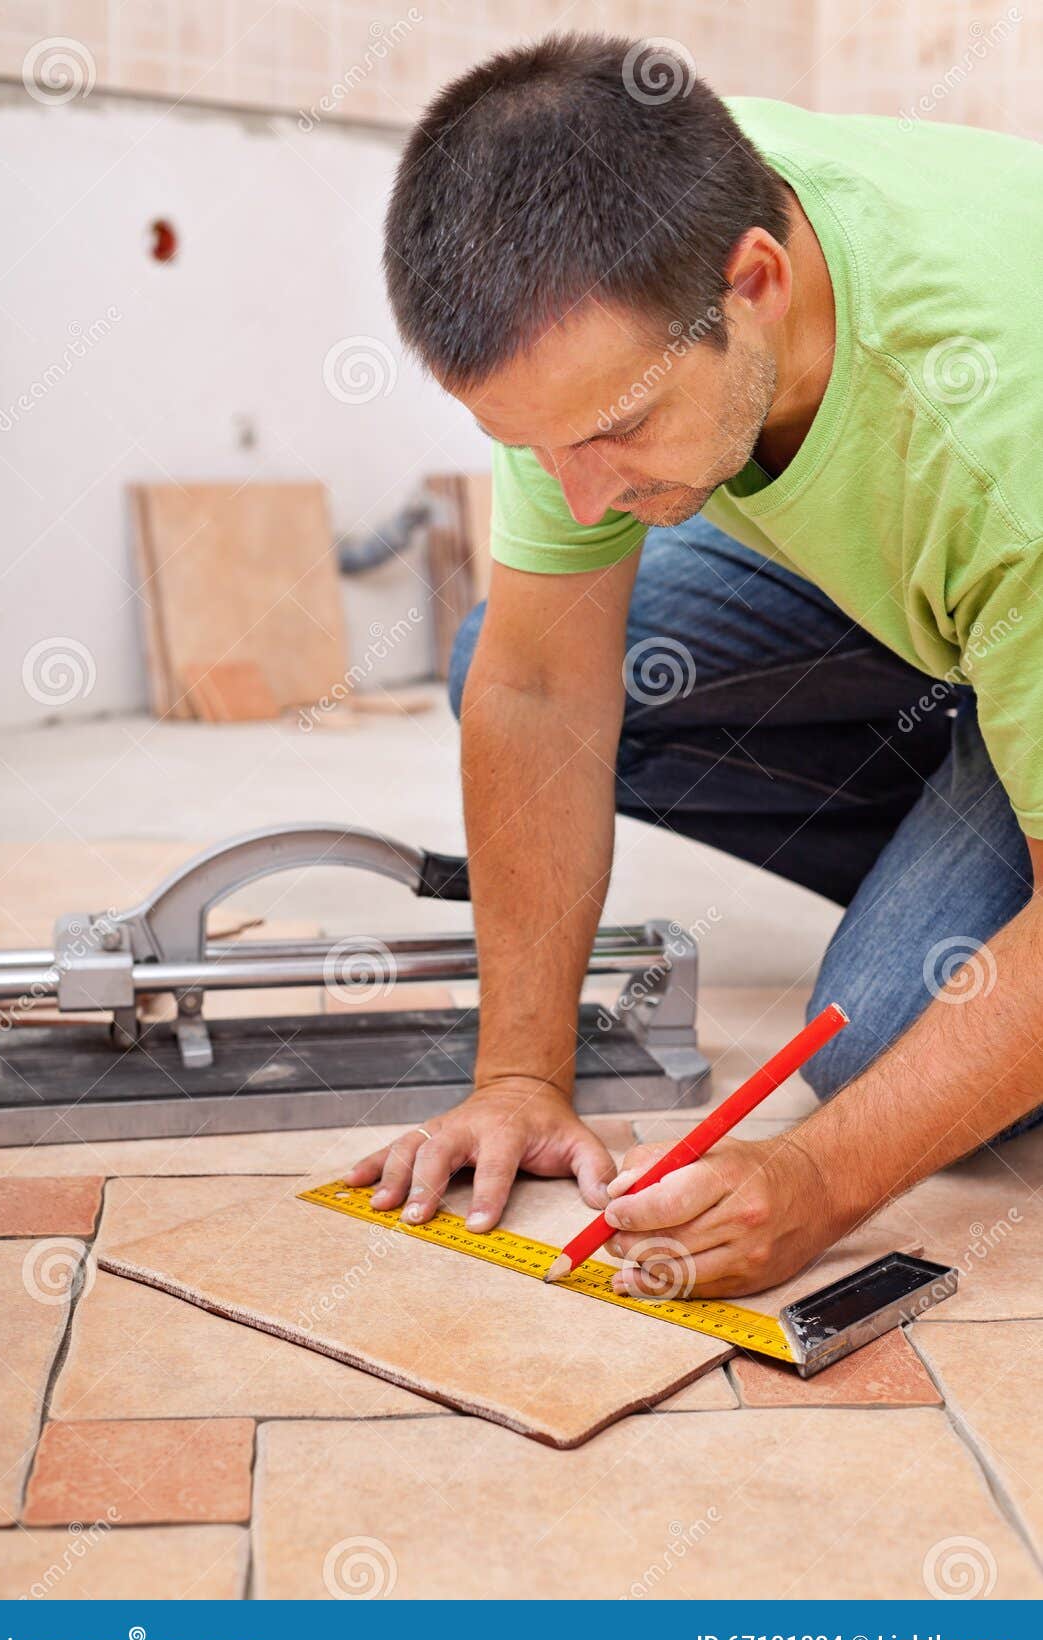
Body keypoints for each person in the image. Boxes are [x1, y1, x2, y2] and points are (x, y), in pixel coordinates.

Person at [347, 32, 1043, 1297]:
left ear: (755, 283)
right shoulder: (597, 280)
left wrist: (821, 1179)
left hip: (1007, 545)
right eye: (532, 444)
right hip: (971, 602)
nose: (578, 492)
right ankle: (994, 781)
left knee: (881, 1035)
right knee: (497, 658)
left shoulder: (1001, 443)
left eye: (614, 432)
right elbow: (543, 688)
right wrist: (517, 1075)